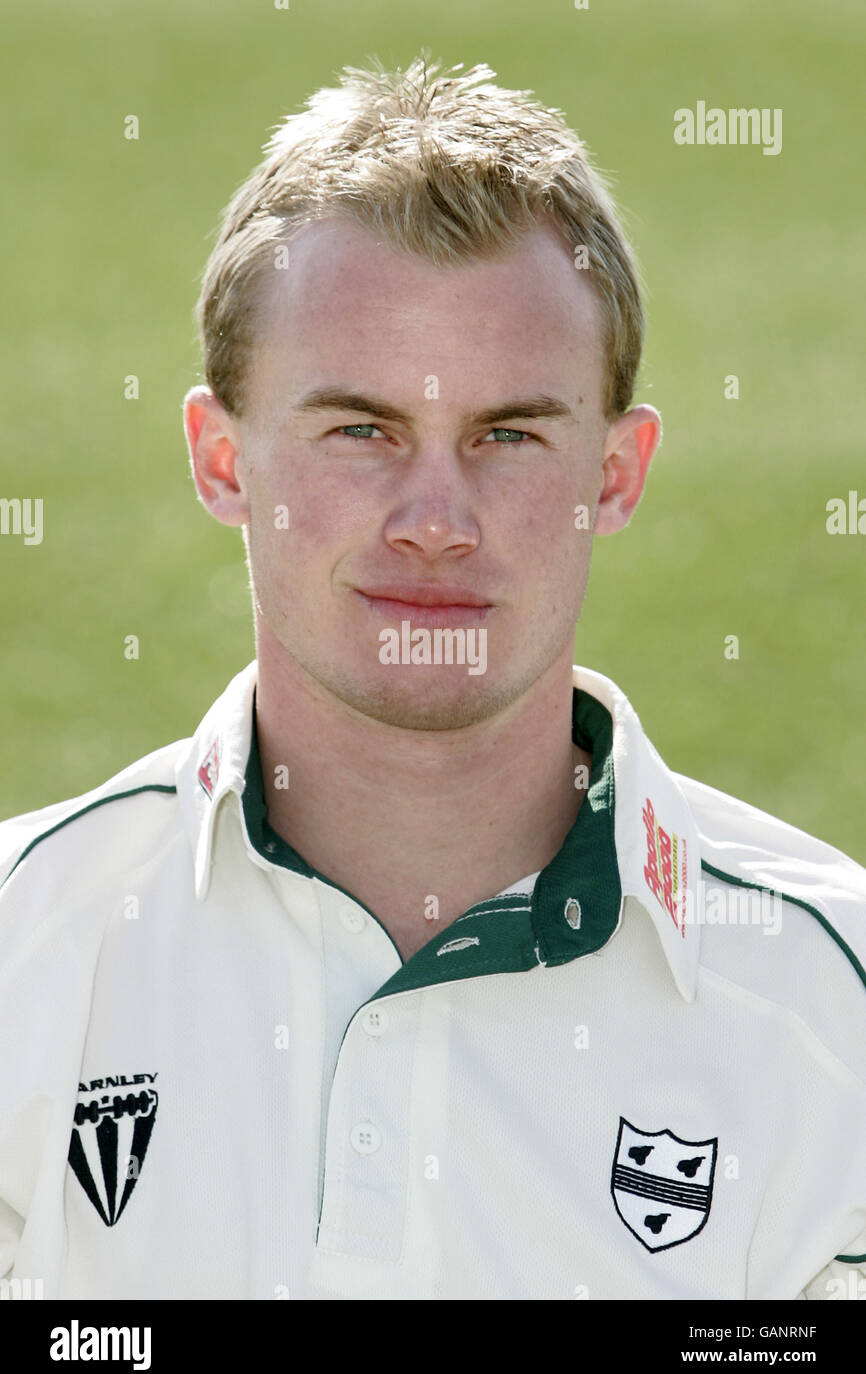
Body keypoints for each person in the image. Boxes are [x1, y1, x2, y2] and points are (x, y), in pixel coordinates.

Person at [1, 55, 864, 1302]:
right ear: (220, 457)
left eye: (508, 434)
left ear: (615, 475)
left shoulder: (829, 1002)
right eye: (361, 429)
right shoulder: (30, 954)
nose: (434, 518)